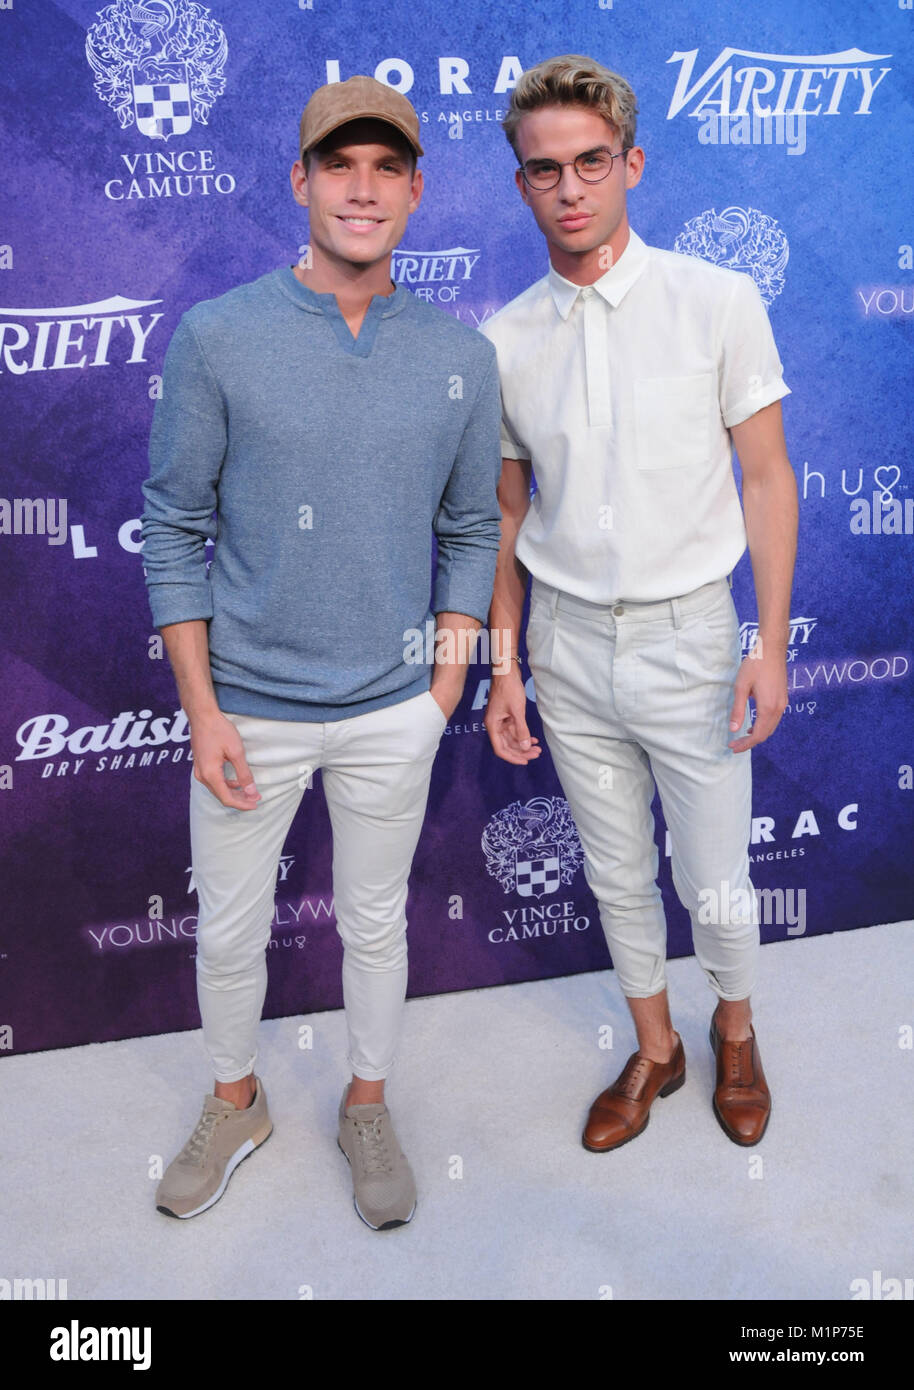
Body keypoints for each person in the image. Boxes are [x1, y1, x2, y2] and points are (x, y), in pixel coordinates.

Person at [140, 75, 502, 1226]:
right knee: (234, 929)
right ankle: (236, 1098)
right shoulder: (219, 335)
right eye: (337, 165)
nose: (360, 187)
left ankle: (365, 1099)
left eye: (384, 167)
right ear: (299, 182)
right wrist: (202, 709)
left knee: (376, 920)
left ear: (414, 192)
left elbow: (471, 525)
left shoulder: (458, 354)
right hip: (249, 705)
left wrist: (443, 685)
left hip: (394, 704)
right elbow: (172, 525)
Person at [481, 55, 798, 1152]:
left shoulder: (716, 302)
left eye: (589, 163)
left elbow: (765, 478)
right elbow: (506, 521)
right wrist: (506, 665)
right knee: (614, 867)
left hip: (691, 636)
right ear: (520, 183)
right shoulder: (503, 339)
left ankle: (737, 1032)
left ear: (629, 164)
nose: (568, 188)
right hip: (563, 646)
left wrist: (765, 642)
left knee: (713, 872)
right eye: (543, 170)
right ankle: (655, 1048)